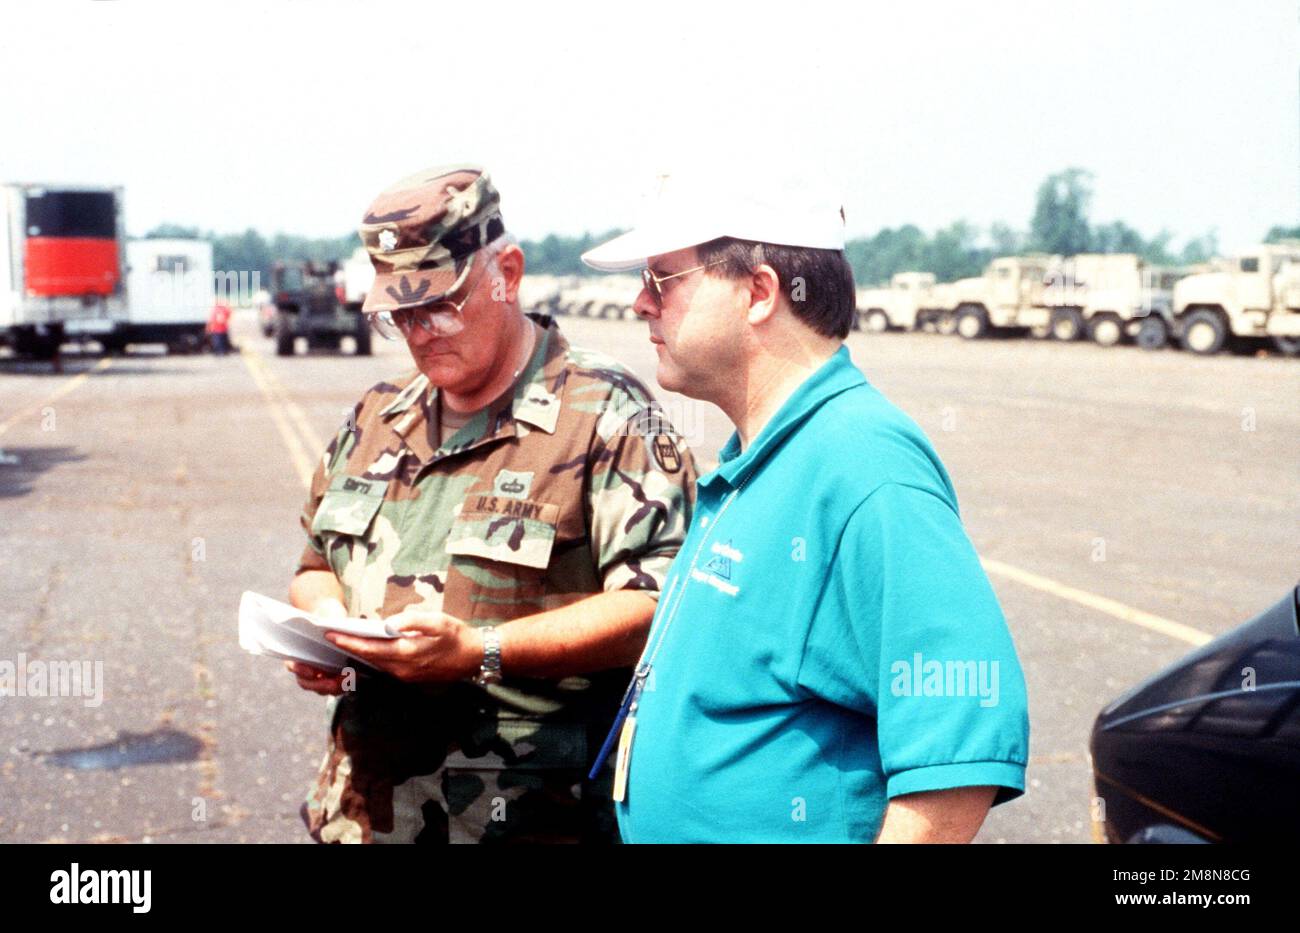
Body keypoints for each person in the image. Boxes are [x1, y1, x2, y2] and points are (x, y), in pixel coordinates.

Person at [580, 167, 1030, 843]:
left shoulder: (863, 464)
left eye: (662, 279)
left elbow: (957, 738)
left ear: (759, 292)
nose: (641, 304)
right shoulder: (765, 454)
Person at [286, 165, 697, 843]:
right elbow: (314, 563)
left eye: (441, 305)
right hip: (365, 816)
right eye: (401, 315)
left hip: (528, 821)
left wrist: (484, 649)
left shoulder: (608, 415)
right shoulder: (374, 416)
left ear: (508, 271)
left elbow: (660, 608)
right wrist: (327, 629)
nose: (421, 333)